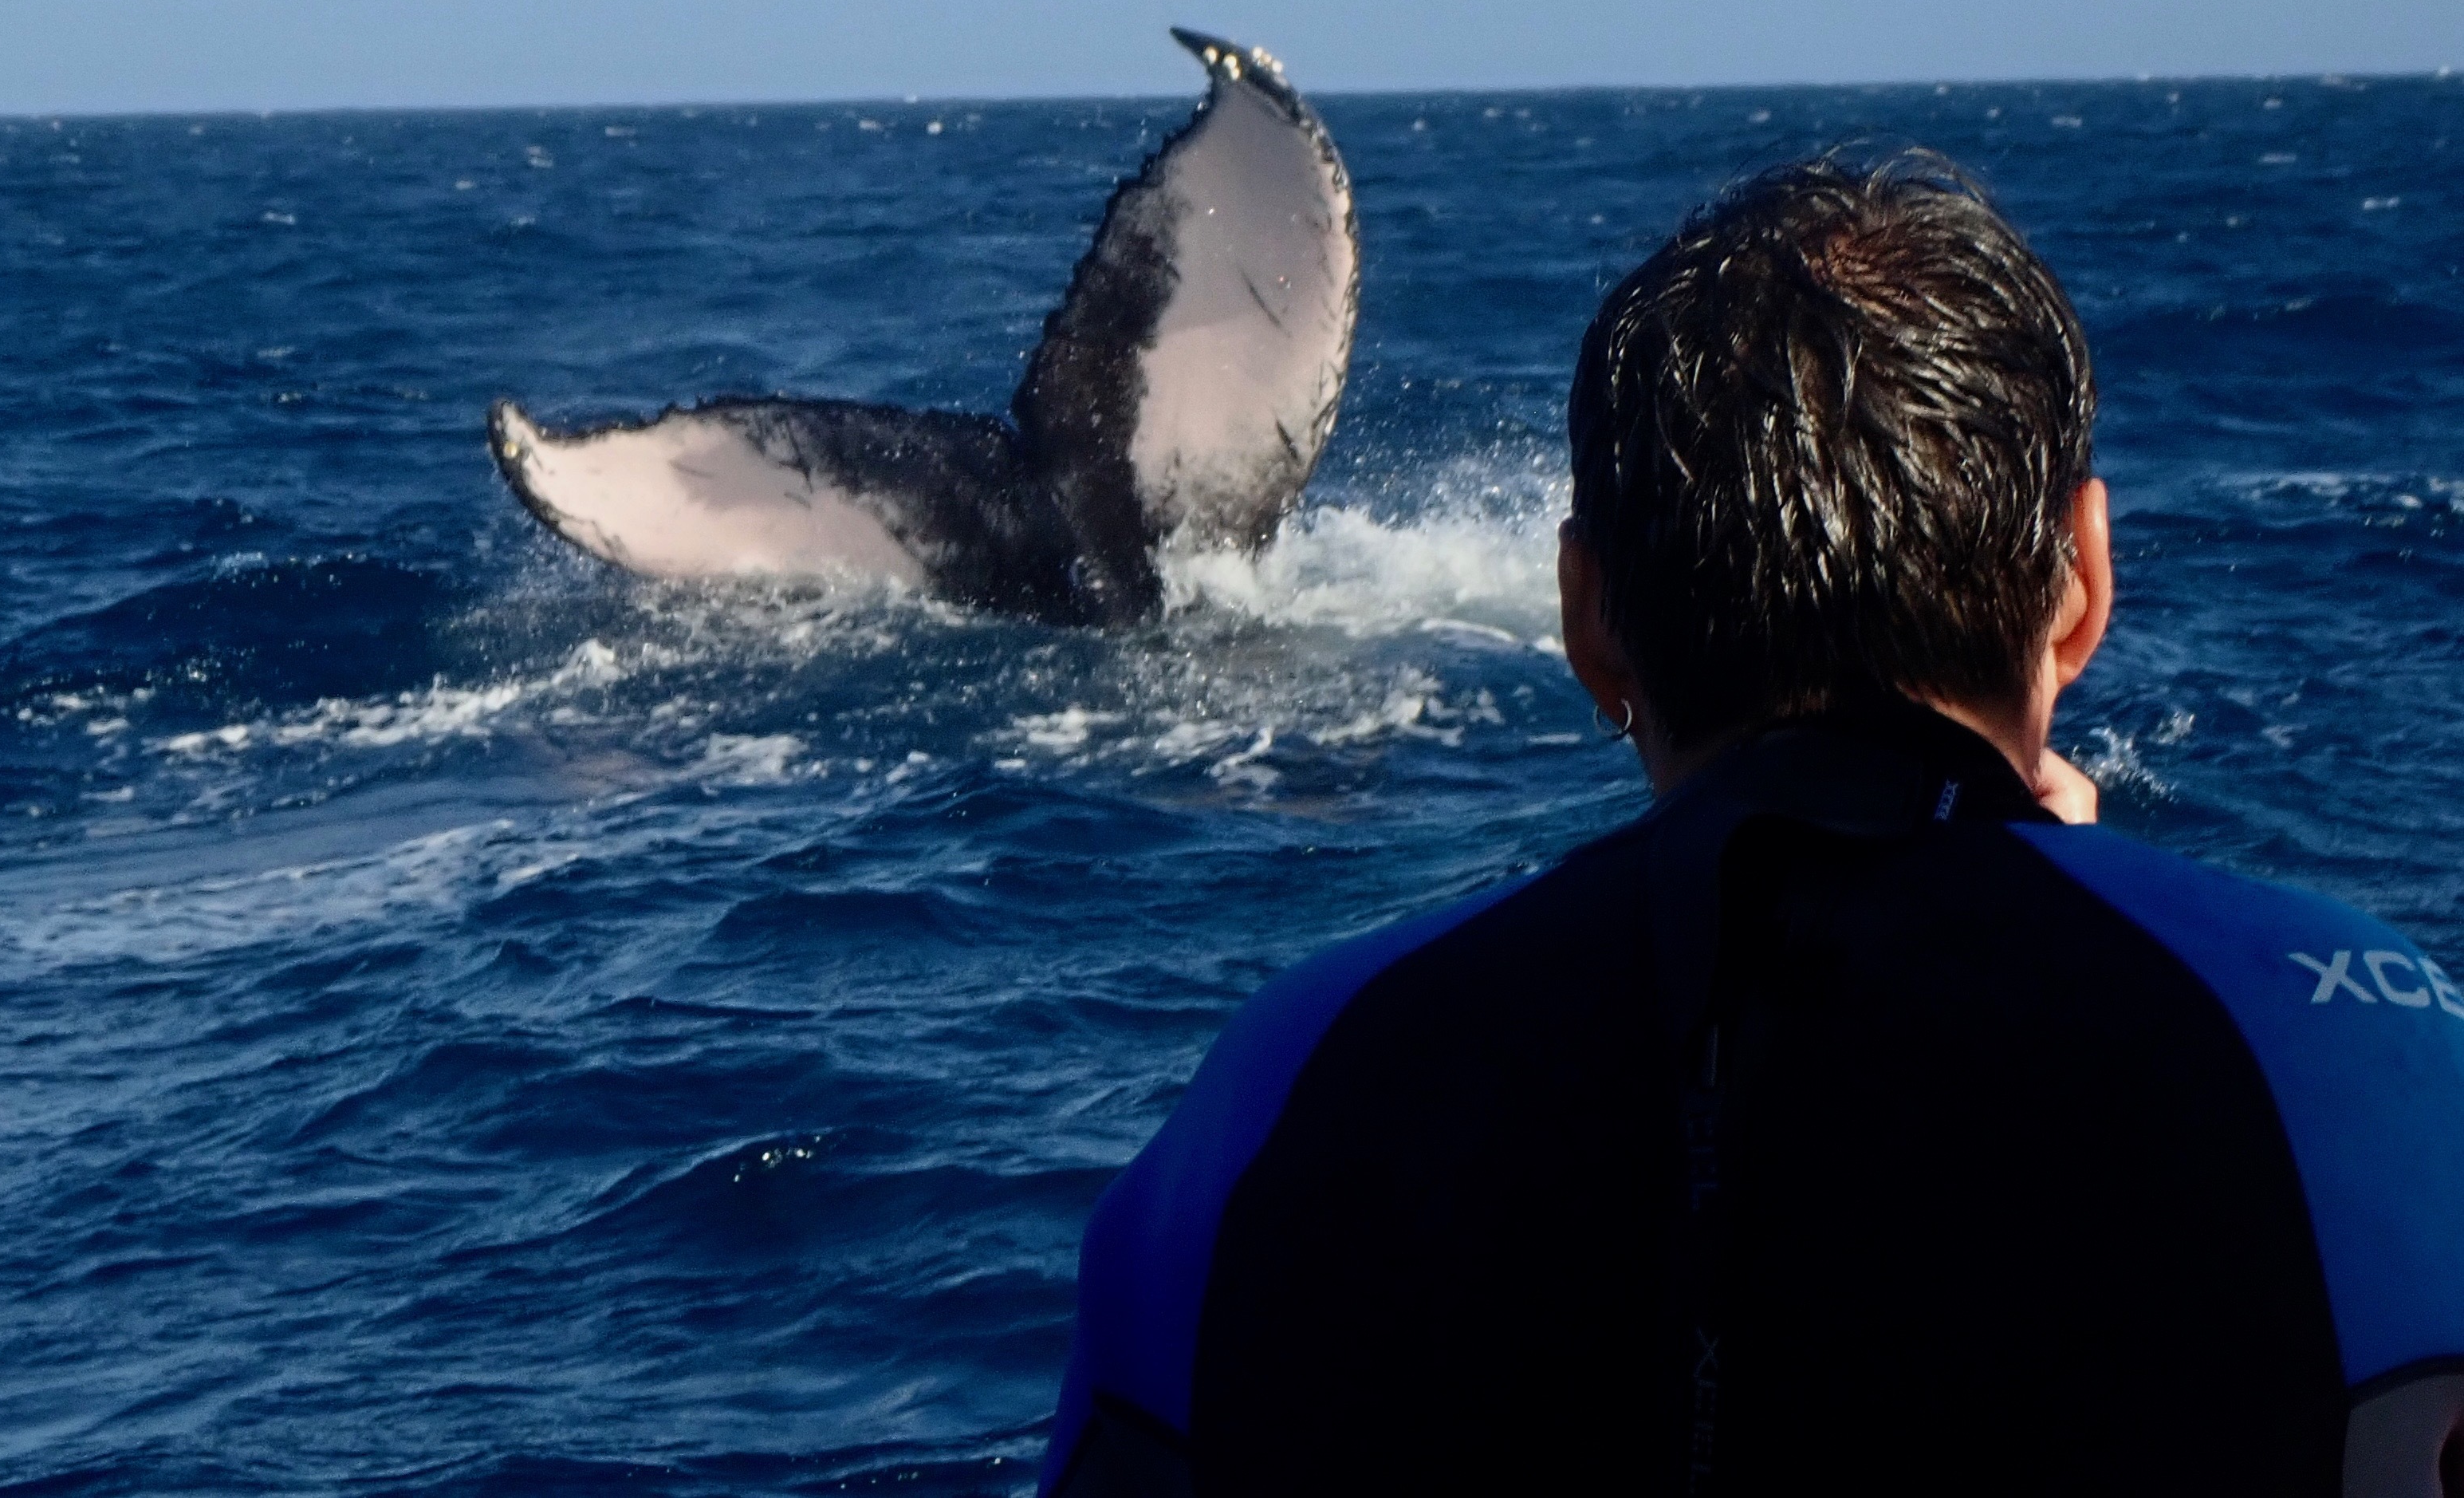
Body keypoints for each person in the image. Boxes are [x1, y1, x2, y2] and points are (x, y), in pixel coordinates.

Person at [1039, 157, 2464, 1497]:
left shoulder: (1283, 1084)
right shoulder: (2351, 1039)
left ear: (1587, 618)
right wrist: (2089, 922)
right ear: (2083, 584)